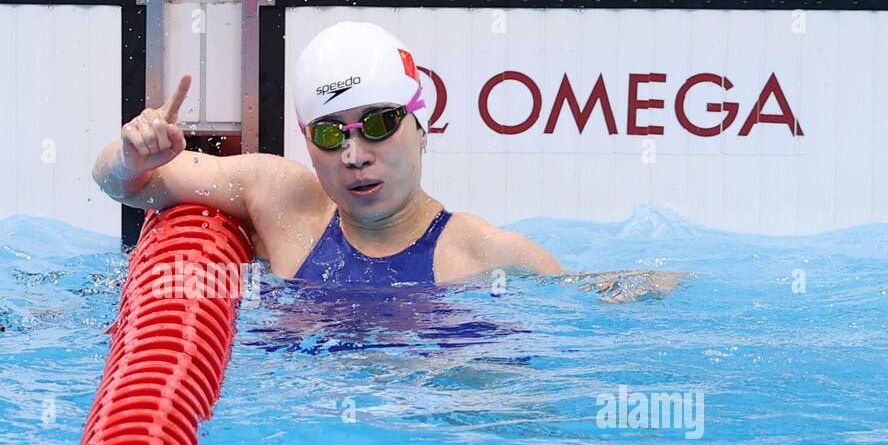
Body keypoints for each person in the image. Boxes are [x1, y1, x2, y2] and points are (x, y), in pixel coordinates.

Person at [92, 21, 680, 302]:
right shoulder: (277, 198)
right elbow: (121, 183)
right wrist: (132, 153)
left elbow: (583, 305)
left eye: (377, 124)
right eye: (329, 134)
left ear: (422, 128)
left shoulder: (485, 254)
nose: (354, 154)